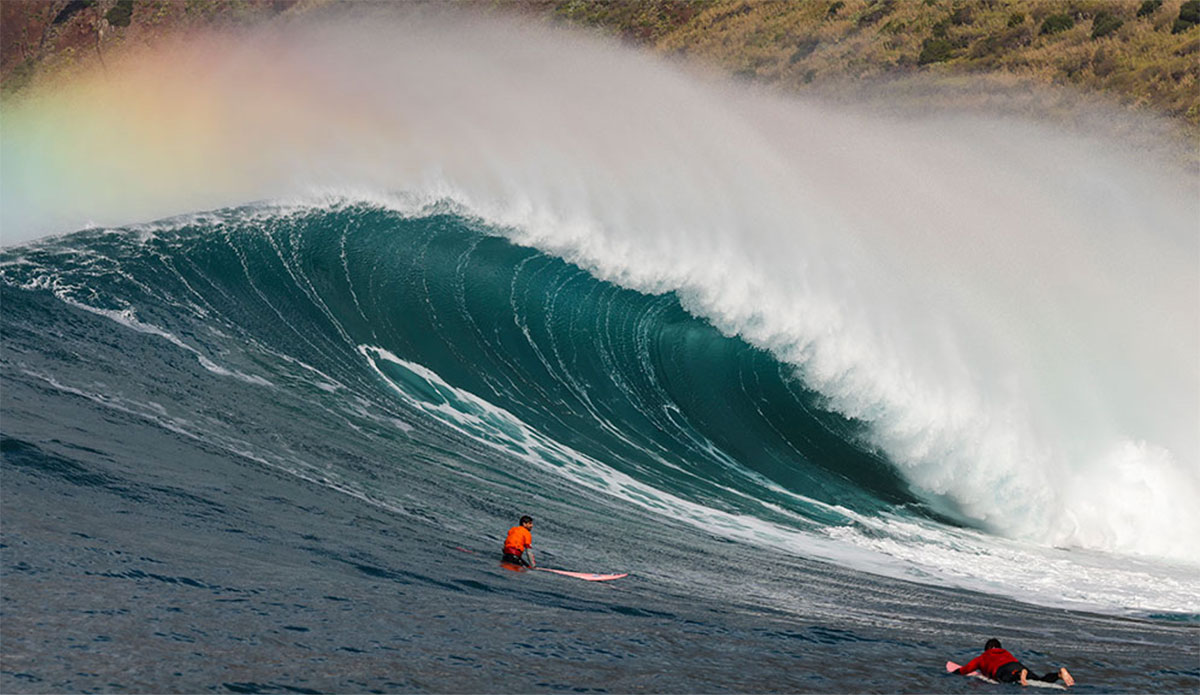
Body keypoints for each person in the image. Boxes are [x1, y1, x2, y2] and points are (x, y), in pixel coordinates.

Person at [954, 638, 1074, 687]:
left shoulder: (982, 657)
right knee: (1040, 679)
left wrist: (955, 672)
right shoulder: (1006, 652)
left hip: (1002, 669)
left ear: (987, 649)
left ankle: (1019, 674)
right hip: (1016, 665)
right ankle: (1058, 674)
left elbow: (965, 670)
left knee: (1008, 679)